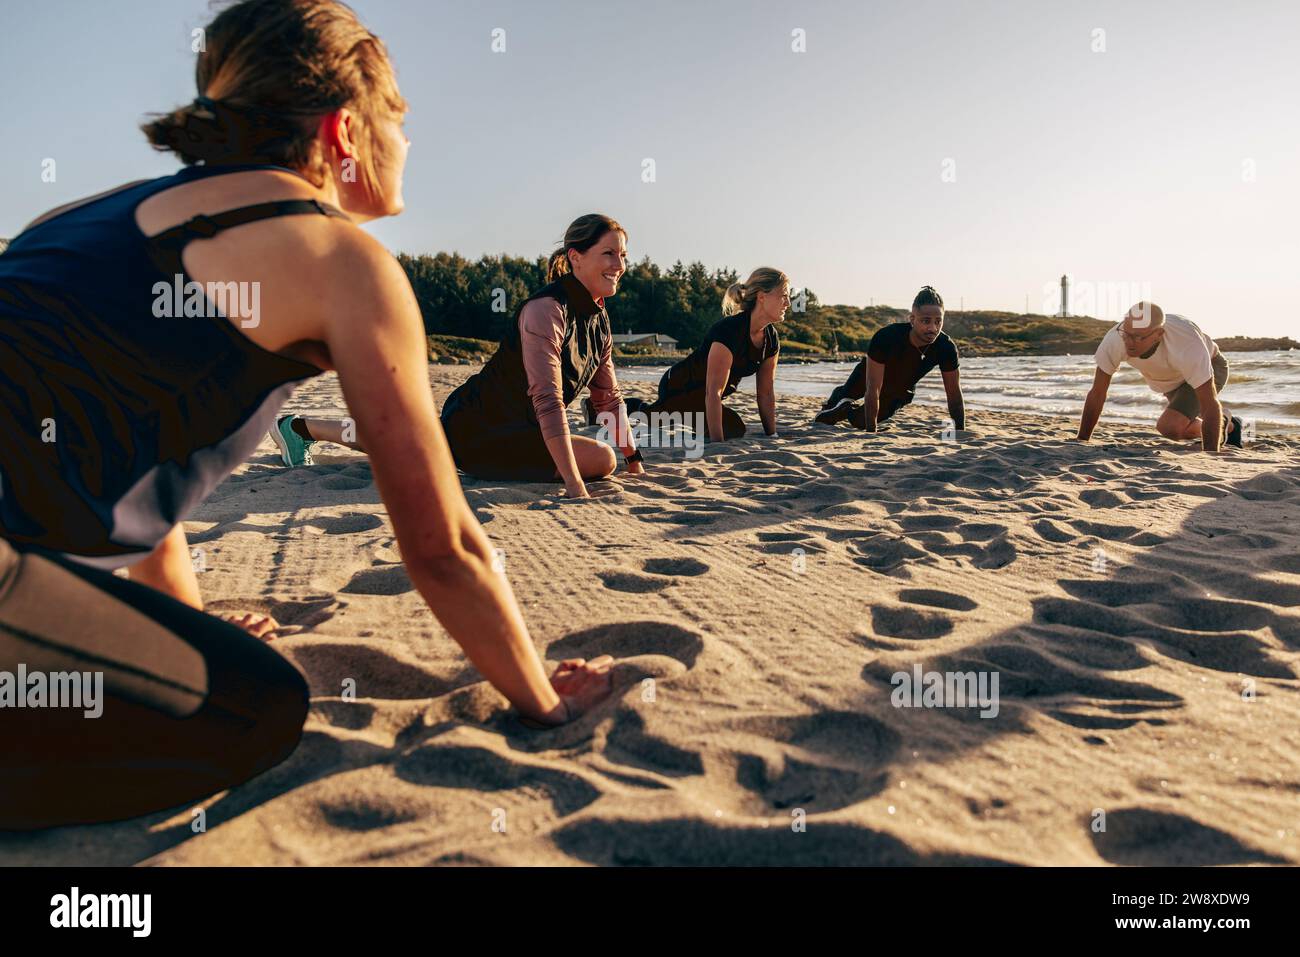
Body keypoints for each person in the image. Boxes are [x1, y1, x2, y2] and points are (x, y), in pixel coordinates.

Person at [0, 0, 610, 831]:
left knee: (211, 666)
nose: (410, 141)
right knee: (257, 704)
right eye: (399, 118)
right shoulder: (342, 260)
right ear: (345, 132)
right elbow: (443, 548)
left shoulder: (69, 219)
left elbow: (146, 472)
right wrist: (543, 698)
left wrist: (177, 629)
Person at [612, 267, 788, 443]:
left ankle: (646, 409)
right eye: (783, 295)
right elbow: (713, 391)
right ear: (762, 296)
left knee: (733, 428)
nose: (788, 302)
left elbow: (765, 392)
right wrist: (718, 444)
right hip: (681, 385)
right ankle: (610, 408)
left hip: (705, 398)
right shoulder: (729, 330)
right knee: (653, 417)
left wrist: (771, 434)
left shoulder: (771, 339)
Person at [1077, 302, 1243, 452]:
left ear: (1158, 334)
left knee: (1170, 426)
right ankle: (1228, 426)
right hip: (1170, 381)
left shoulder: (1186, 343)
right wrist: (1082, 440)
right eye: (1126, 334)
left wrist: (1211, 454)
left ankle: (1223, 425)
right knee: (1180, 425)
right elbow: (1098, 392)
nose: (1129, 342)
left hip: (1211, 365)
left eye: (1138, 337)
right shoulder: (1115, 339)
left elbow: (1209, 403)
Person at [815, 286, 965, 432]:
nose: (933, 328)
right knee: (824, 419)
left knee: (859, 422)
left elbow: (954, 395)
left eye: (938, 321)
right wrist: (871, 432)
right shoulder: (887, 336)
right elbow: (873, 387)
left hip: (899, 390)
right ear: (912, 319)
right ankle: (841, 399)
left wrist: (959, 431)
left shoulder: (946, 347)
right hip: (865, 378)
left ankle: (846, 409)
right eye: (926, 321)